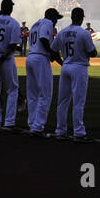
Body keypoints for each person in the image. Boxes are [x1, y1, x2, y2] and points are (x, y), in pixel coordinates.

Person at [55, 7, 98, 141]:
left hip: (66, 66)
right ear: (81, 18)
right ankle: (78, 131)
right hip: (79, 67)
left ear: (72, 17)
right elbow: (92, 52)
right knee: (78, 101)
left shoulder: (63, 32)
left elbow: (53, 49)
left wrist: (62, 62)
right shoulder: (84, 33)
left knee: (62, 101)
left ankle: (60, 130)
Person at [0, 0, 23, 133]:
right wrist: (1, 59)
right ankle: (9, 122)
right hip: (5, 59)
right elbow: (13, 45)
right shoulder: (13, 23)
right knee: (12, 89)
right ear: (10, 9)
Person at [26, 7, 63, 137]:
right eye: (56, 18)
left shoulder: (36, 23)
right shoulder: (47, 23)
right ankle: (38, 126)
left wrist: (56, 58)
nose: (56, 22)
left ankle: (32, 123)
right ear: (51, 17)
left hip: (31, 57)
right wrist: (51, 53)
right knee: (45, 93)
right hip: (40, 58)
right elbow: (43, 39)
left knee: (33, 94)